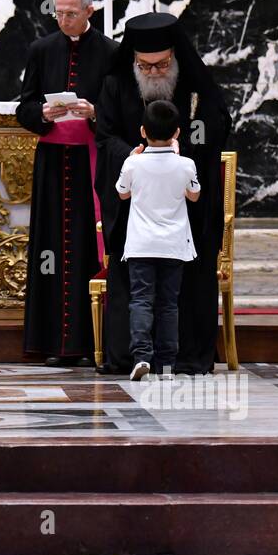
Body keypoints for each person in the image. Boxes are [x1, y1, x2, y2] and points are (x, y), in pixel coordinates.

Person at [94, 12, 232, 376]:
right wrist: (134, 157)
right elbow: (105, 137)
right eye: (145, 66)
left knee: (179, 289)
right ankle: (131, 356)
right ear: (134, 60)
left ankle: (185, 356)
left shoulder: (196, 86)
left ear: (174, 56)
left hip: (184, 212)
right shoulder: (116, 83)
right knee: (138, 289)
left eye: (162, 65)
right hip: (136, 212)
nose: (154, 73)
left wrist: (184, 152)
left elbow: (215, 128)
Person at [16, 0, 118, 366]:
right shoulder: (41, 50)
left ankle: (96, 343)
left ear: (90, 11)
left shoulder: (112, 52)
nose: (63, 20)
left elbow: (123, 109)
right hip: (53, 168)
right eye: (58, 13)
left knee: (90, 247)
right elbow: (23, 108)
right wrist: (41, 113)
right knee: (51, 249)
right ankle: (56, 344)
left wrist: (95, 113)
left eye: (71, 14)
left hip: (93, 163)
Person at [116, 100, 201, 381]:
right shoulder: (186, 164)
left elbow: (122, 193)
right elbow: (194, 195)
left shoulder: (133, 162)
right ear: (177, 133)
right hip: (174, 245)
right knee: (168, 304)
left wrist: (132, 158)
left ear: (143, 131)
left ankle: (142, 357)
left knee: (141, 300)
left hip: (141, 244)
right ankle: (166, 365)